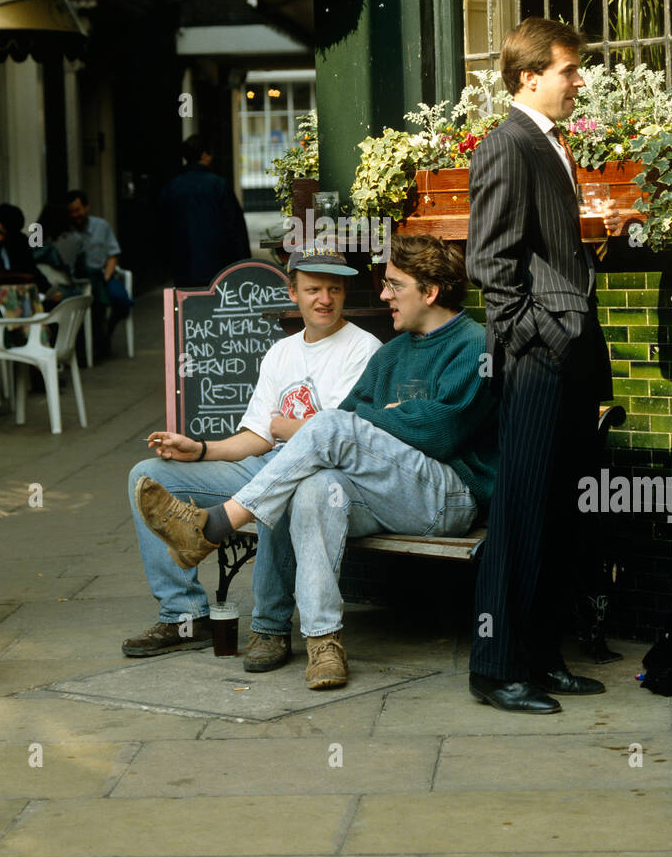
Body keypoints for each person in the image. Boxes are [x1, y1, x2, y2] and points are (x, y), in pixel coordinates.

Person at [135, 235, 498, 691]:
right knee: (313, 487)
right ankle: (323, 641)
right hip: (388, 491)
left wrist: (377, 421)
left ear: (429, 292)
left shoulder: (475, 346)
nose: (383, 295)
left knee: (325, 427)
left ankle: (213, 527)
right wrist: (382, 422)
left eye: (393, 285)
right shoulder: (393, 353)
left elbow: (440, 432)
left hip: (448, 497)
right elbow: (347, 431)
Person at [124, 247, 381, 670]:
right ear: (293, 292)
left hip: (320, 475)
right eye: (313, 289)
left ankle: (270, 627)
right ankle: (185, 615)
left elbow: (335, 439)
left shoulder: (362, 349)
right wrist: (201, 450)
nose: (325, 299)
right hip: (265, 465)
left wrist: (285, 429)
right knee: (148, 475)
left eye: (334, 289)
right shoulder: (281, 352)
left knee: (285, 488)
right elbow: (259, 436)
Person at [465, 17, 616, 713]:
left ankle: (542, 655)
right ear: (530, 76)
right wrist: (541, 337)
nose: (576, 81)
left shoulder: (549, 144)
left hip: (568, 351)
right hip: (536, 359)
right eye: (567, 69)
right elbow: (489, 265)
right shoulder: (507, 144)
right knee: (521, 512)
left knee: (560, 511)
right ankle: (496, 670)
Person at [160, 134, 252, 287]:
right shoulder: (218, 185)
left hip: (183, 265)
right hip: (218, 265)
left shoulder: (171, 188)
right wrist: (243, 262)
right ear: (204, 155)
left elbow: (163, 228)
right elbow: (235, 227)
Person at [66, 188, 130, 355]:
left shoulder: (101, 226)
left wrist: (107, 277)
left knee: (121, 300)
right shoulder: (67, 231)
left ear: (86, 208)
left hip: (103, 275)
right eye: (71, 212)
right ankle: (91, 343)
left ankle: (106, 332)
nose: (75, 215)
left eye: (78, 210)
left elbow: (113, 255)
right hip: (79, 281)